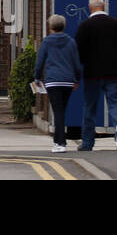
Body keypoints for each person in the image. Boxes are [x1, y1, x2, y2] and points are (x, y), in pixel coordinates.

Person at [74, 0, 117, 151]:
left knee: (89, 109)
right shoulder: (116, 24)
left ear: (91, 7)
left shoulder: (85, 26)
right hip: (114, 73)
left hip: (92, 74)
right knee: (116, 108)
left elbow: (77, 52)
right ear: (103, 6)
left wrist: (76, 75)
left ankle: (87, 144)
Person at [33, 14, 81, 153]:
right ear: (63, 26)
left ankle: (60, 143)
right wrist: (77, 79)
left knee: (58, 111)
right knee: (61, 111)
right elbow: (77, 64)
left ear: (51, 26)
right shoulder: (71, 42)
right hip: (67, 81)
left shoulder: (47, 41)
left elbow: (40, 62)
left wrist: (37, 78)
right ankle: (60, 141)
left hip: (53, 81)